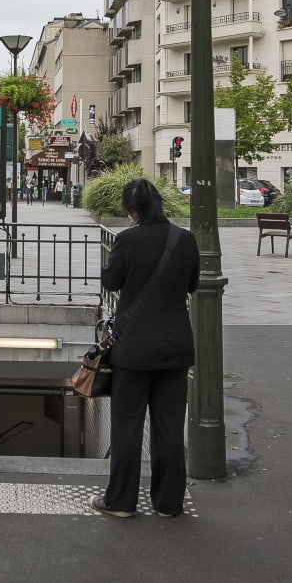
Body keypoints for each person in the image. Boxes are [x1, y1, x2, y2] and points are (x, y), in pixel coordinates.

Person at [91, 177, 200, 519]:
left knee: (128, 427)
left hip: (133, 348)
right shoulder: (185, 240)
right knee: (169, 428)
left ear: (131, 210)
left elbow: (110, 281)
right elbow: (193, 284)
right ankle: (169, 503)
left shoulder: (127, 240)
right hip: (174, 346)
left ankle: (121, 501)